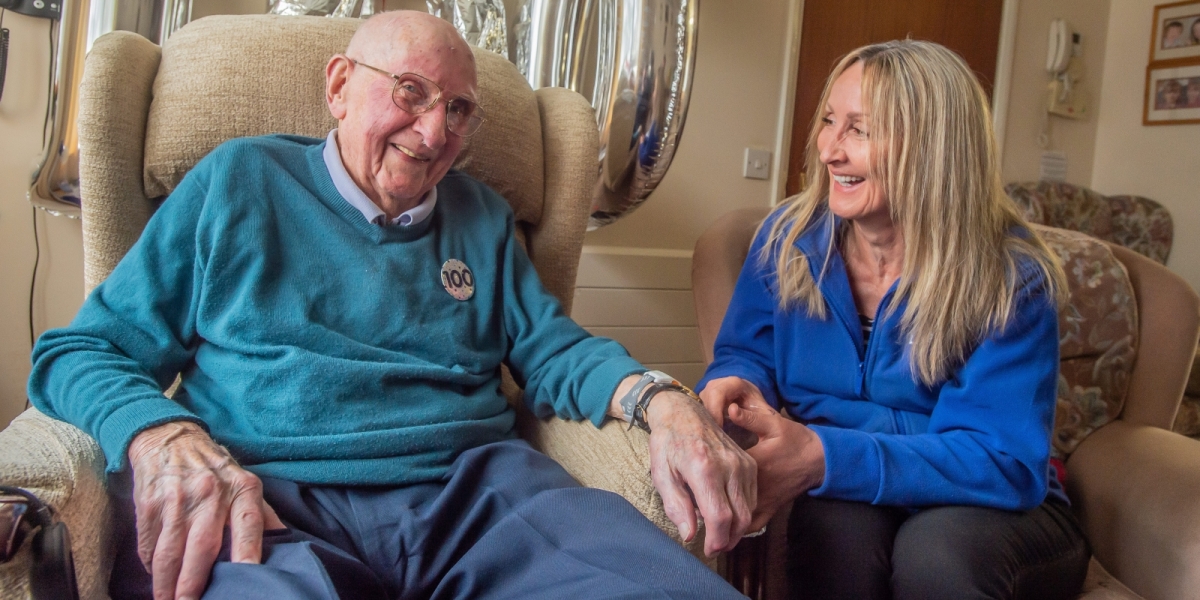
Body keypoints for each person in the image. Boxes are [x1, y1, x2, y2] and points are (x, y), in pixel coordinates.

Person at [27, 11, 755, 600]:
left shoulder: (482, 217)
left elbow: (554, 349)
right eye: (411, 92)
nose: (436, 132)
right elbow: (80, 351)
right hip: (269, 495)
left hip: (475, 496)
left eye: (458, 109)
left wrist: (661, 399)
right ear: (340, 85)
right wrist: (161, 434)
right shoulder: (238, 181)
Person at [697, 40, 1090, 599]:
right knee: (833, 535)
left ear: (935, 149)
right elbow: (747, 352)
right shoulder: (786, 241)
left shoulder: (1011, 279)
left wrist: (825, 455)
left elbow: (1000, 460)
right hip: (846, 482)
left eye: (859, 130)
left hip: (993, 503)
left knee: (936, 556)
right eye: (829, 121)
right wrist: (735, 384)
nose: (829, 150)